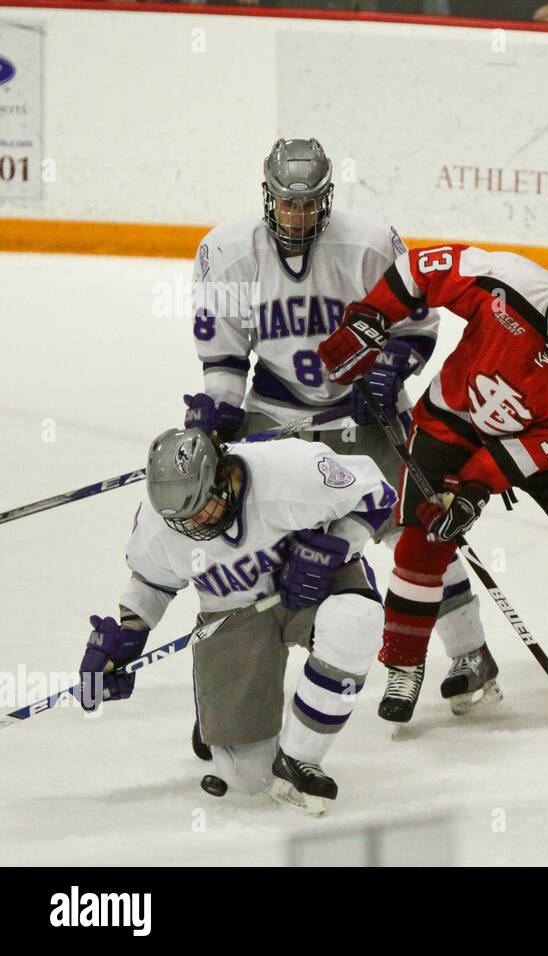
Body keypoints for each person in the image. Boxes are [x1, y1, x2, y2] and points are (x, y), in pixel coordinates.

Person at [182, 137, 487, 726]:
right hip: (275, 418)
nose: (296, 216)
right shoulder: (226, 252)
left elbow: (418, 321)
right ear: (267, 198)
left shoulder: (368, 241)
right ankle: (239, 700)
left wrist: (393, 364)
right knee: (260, 546)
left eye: (308, 204)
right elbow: (222, 362)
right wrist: (219, 414)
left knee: (418, 527)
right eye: (286, 204)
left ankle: (470, 651)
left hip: (364, 410)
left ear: (327, 199)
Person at [317, 244, 548, 713]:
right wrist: (371, 317)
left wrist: (474, 489)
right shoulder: (507, 282)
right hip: (455, 420)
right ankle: (403, 665)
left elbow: (532, 450)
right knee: (422, 540)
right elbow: (423, 267)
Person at [76, 428, 395, 815]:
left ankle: (299, 757)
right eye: (182, 519)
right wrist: (128, 637)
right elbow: (152, 581)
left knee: (355, 621)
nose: (193, 525)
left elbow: (377, 492)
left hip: (318, 586)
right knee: (248, 779)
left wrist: (338, 544)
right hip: (232, 617)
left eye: (200, 509)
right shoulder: (162, 521)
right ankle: (220, 716)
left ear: (222, 475)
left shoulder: (291, 471)